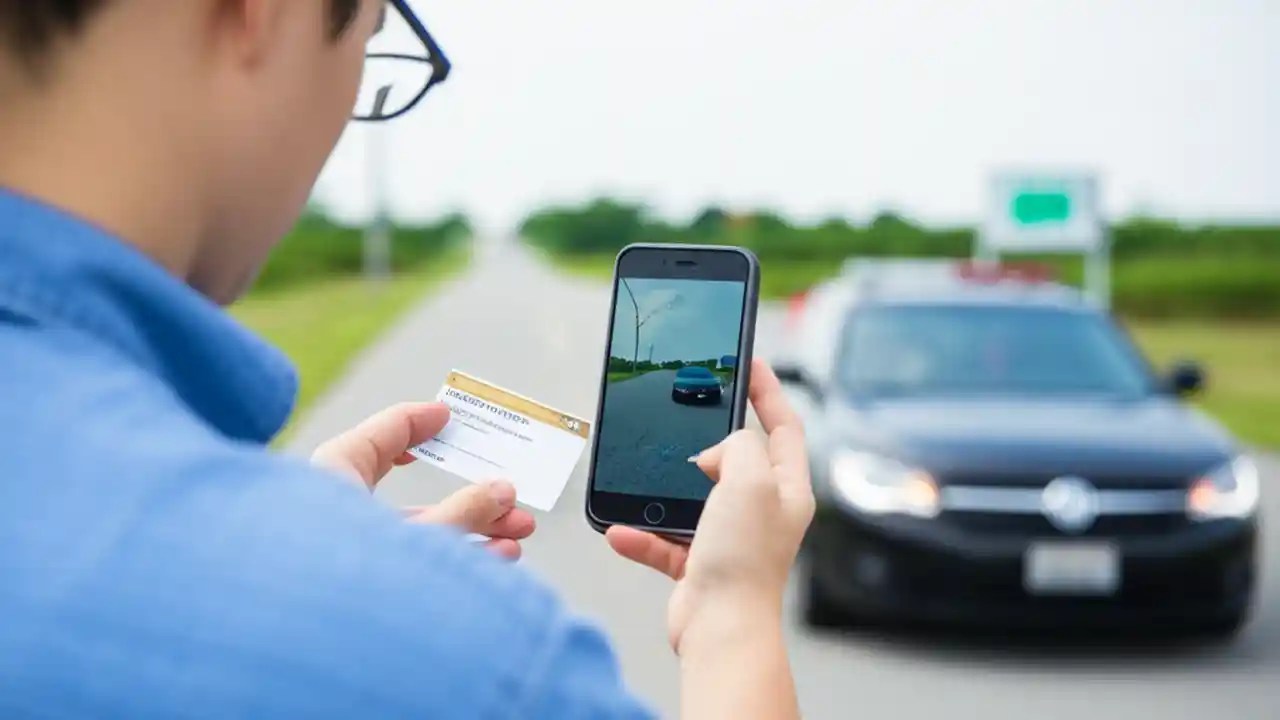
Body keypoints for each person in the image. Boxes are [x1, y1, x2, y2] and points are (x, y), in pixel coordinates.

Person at [0, 1, 814, 717]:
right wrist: (731, 618)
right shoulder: (471, 665)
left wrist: (285, 546)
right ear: (259, 11)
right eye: (375, 39)